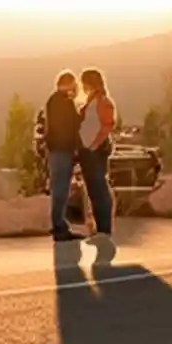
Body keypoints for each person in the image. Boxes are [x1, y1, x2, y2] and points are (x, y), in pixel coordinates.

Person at [41, 70, 84, 242]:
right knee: (60, 189)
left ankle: (60, 224)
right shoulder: (62, 102)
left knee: (61, 189)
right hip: (61, 150)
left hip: (60, 150)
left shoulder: (55, 101)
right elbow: (68, 126)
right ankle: (59, 226)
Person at [77, 67, 118, 243]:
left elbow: (108, 125)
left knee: (99, 188)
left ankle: (104, 228)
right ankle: (99, 228)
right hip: (87, 150)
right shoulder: (91, 101)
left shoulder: (103, 102)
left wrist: (94, 144)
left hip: (95, 150)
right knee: (93, 190)